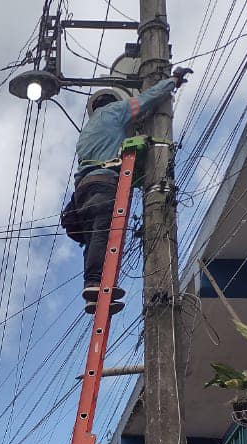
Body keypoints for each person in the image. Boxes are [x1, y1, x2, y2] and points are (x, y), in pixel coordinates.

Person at [65, 67, 191, 309]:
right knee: (104, 231)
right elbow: (145, 100)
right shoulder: (115, 112)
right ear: (113, 102)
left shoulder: (86, 132)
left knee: (94, 236)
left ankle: (93, 284)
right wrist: (172, 81)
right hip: (104, 182)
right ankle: (96, 283)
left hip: (83, 190)